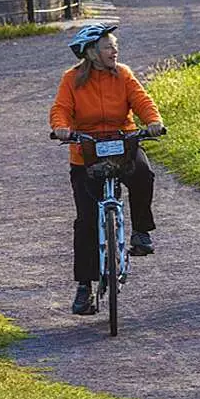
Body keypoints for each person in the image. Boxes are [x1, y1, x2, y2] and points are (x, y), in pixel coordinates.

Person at [50, 23, 164, 316]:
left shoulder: (123, 74)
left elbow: (142, 101)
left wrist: (152, 121)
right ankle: (85, 287)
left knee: (143, 174)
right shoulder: (71, 79)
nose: (115, 50)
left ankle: (140, 233)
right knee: (86, 220)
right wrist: (61, 129)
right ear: (91, 53)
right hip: (86, 151)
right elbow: (60, 109)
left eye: (115, 46)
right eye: (108, 47)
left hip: (121, 142)